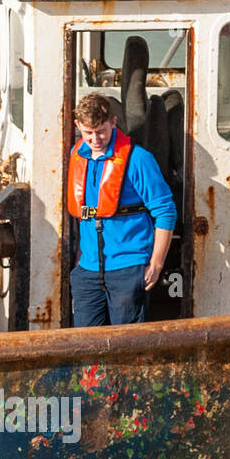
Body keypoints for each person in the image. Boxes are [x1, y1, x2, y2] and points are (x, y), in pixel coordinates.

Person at [68, 92, 177, 327]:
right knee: (85, 345)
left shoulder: (138, 160)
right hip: (87, 270)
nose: (95, 139)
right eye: (88, 133)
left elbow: (165, 211)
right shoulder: (76, 157)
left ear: (113, 123)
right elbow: (84, 213)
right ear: (78, 126)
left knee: (128, 345)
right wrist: (79, 256)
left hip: (128, 269)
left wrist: (156, 264)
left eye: (101, 131)